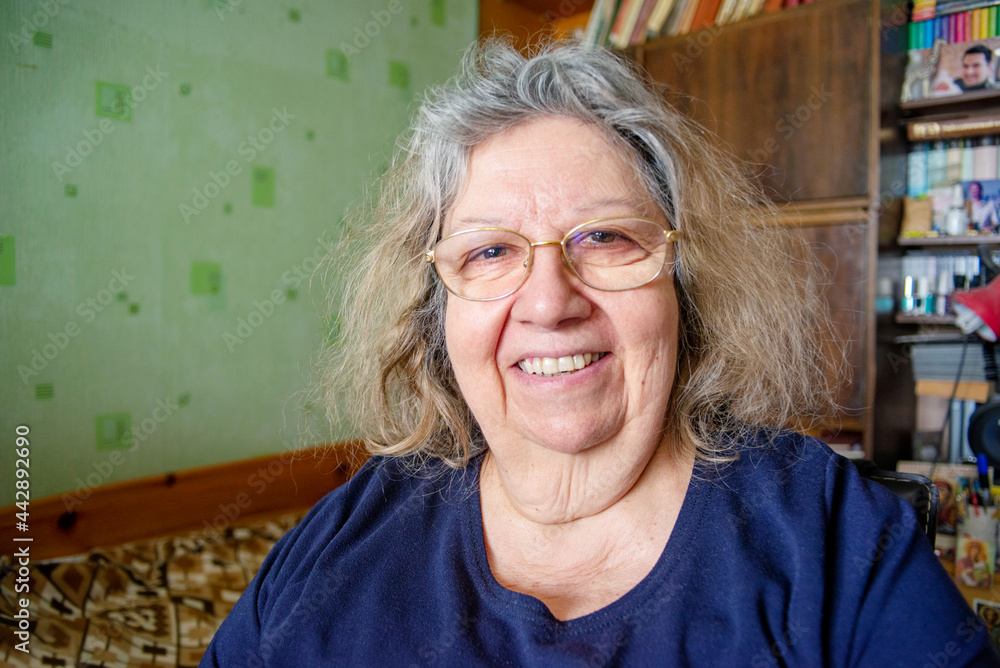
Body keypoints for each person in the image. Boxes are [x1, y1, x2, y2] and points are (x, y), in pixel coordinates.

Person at [201, 39, 997, 666]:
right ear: (433, 311)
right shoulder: (348, 533)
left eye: (607, 237)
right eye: (489, 253)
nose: (549, 301)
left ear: (683, 282)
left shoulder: (827, 537)